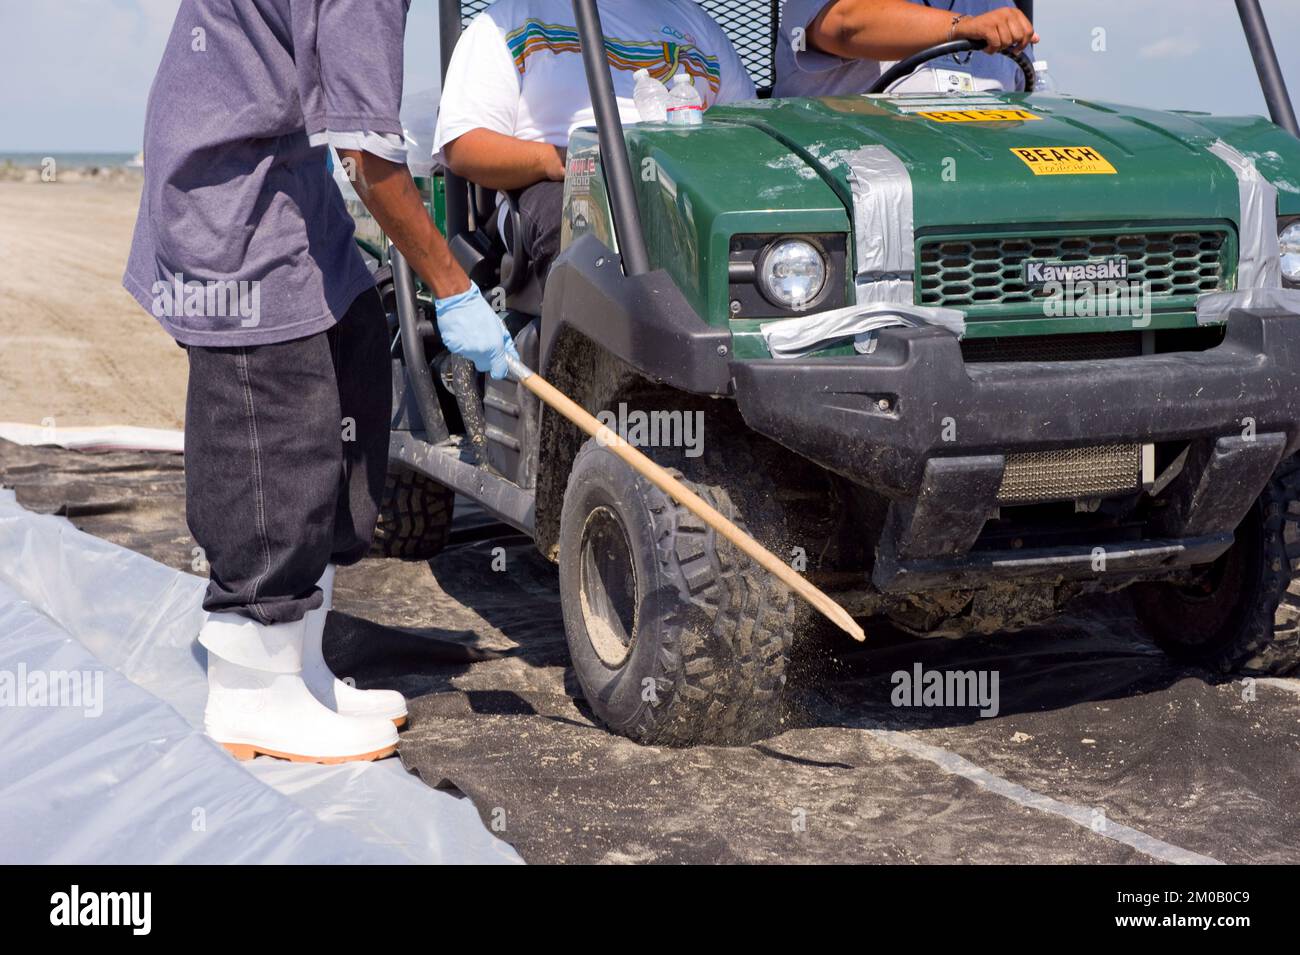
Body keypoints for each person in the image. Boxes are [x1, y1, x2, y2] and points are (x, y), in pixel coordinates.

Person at [123, 0, 518, 764]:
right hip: (225, 192)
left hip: (286, 172)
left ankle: (299, 664)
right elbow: (369, 161)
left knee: (355, 351)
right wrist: (455, 288)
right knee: (280, 411)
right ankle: (250, 693)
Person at [433, 0, 757, 292]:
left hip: (686, 182)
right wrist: (563, 161)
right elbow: (464, 146)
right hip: (561, 183)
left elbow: (748, 134)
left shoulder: (696, 25)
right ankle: (594, 355)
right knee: (588, 228)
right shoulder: (510, 20)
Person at [775, 0, 1038, 98]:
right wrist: (962, 27)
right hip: (852, 193)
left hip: (977, 190)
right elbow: (844, 26)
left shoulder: (999, 7)